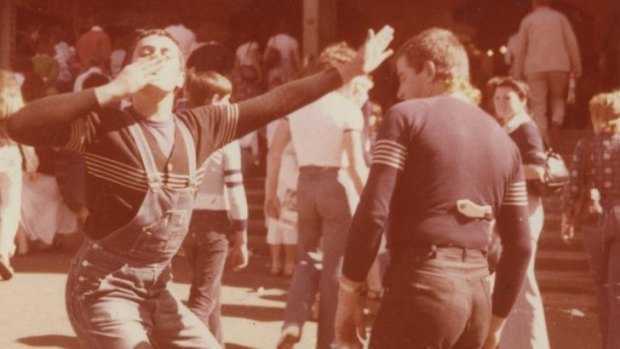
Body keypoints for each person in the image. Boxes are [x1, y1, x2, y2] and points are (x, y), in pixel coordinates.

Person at [7, 26, 394, 348]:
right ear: (126, 71)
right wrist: (111, 90)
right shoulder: (104, 124)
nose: (155, 57)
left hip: (157, 291)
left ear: (180, 79)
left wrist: (347, 71)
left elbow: (276, 101)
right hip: (102, 290)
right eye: (145, 53)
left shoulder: (200, 127)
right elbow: (20, 125)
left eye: (165, 53)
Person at [334, 28, 532, 349]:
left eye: (403, 77)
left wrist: (347, 294)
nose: (399, 92)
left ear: (430, 71)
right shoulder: (505, 142)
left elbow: (373, 213)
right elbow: (521, 245)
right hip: (477, 298)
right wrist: (496, 323)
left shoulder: (406, 117)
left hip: (421, 285)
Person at [266, 42, 373, 349]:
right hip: (335, 185)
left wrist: (270, 194)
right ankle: (326, 341)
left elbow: (275, 150)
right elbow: (355, 165)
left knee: (305, 259)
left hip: (305, 184)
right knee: (334, 268)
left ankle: (293, 322)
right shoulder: (347, 109)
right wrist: (371, 203)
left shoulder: (299, 106)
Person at [182, 69, 249, 345]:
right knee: (202, 300)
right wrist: (242, 237)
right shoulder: (226, 140)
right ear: (213, 100)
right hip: (215, 224)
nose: (231, 105)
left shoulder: (183, 133)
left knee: (212, 292)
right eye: (227, 99)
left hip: (186, 222)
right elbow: (236, 191)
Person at [491, 76, 550, 349]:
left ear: (522, 100)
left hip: (525, 206)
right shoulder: (508, 127)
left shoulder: (525, 128)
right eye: (498, 98)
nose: (502, 103)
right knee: (512, 277)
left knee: (522, 278)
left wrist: (501, 174)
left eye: (508, 98)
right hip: (512, 206)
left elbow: (537, 169)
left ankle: (534, 344)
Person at [563, 90, 620, 349]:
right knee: (617, 289)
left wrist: (566, 218)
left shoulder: (584, 146)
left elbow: (574, 184)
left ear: (597, 116)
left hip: (594, 219)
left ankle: (606, 341)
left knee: (600, 285)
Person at [512, 0, 582, 136]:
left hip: (534, 68)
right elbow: (572, 43)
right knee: (558, 97)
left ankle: (543, 139)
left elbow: (521, 50)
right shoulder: (560, 18)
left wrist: (517, 74)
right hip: (559, 66)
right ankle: (556, 121)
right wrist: (576, 67)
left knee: (538, 105)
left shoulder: (528, 20)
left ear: (534, 3)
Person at [0, 71, 28, 280]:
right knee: (10, 208)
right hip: (8, 154)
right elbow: (24, 136)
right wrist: (31, 158)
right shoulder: (16, 109)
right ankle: (2, 250)